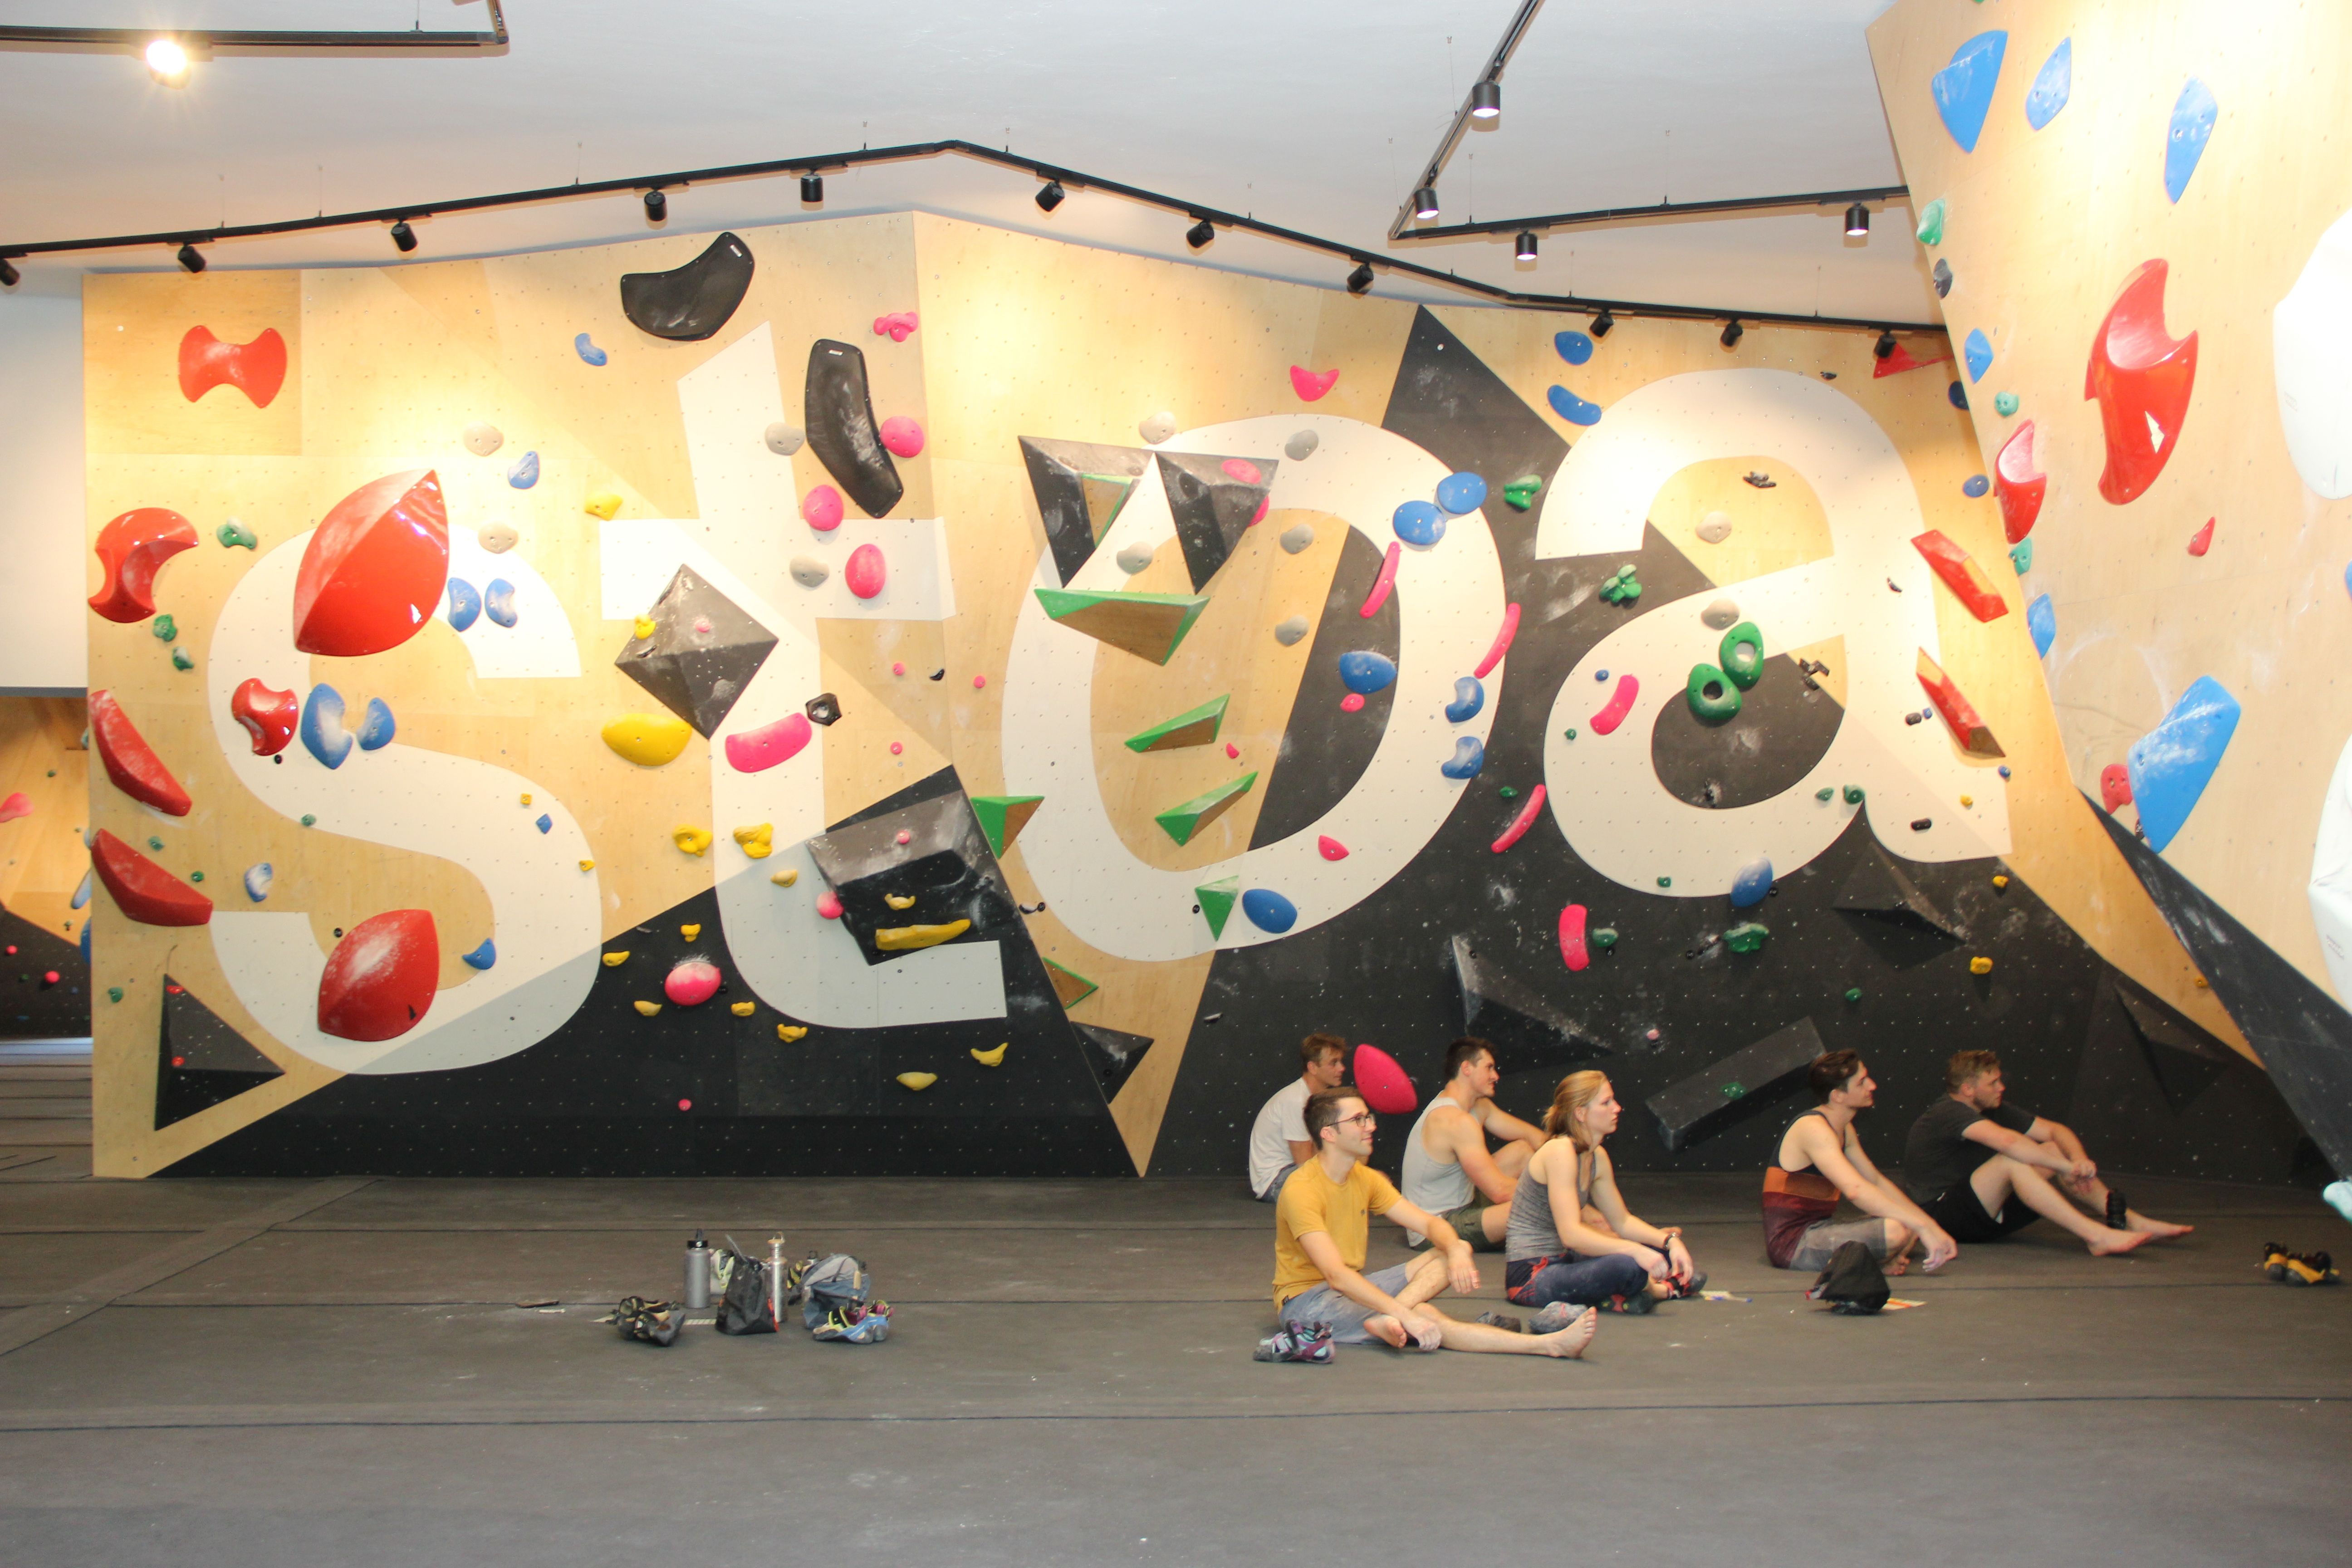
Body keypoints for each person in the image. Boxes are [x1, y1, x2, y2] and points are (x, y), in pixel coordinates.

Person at [1269, 1087, 1598, 1358]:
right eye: (1358, 1120)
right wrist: (1407, 1314)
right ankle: (1549, 1345)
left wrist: (1455, 1249)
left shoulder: (1364, 1179)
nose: (1371, 1126)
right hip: (1307, 1304)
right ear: (1329, 1133)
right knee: (1426, 1317)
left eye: (1368, 1117)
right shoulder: (1302, 1190)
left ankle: (1386, 1318)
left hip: (1347, 1289)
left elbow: (1431, 1225)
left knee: (1454, 1247)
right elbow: (1336, 1276)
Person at [1902, 1049, 2191, 1255]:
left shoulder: (1993, 1107)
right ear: (1968, 1089)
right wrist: (2068, 1170)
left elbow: (2056, 1131)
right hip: (1945, 1218)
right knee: (2012, 1161)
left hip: (1984, 1210)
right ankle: (2096, 1236)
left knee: (2055, 1149)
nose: (2001, 1088)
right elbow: (2008, 1143)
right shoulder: (1947, 1113)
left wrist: (2077, 1159)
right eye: (1993, 1083)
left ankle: (2131, 1220)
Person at [1501, 1071, 1706, 1315]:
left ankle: (1620, 1296)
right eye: (1606, 1102)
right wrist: (1635, 1250)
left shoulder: (1596, 1156)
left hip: (1568, 1261)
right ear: (1581, 1113)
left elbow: (1622, 1221)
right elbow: (1572, 1235)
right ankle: (1661, 1291)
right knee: (1630, 1265)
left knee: (1656, 1251)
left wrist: (1670, 1242)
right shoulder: (1559, 1152)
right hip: (1532, 1277)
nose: (1617, 1108)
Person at [1765, 1051, 1956, 1275]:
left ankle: (1877, 1263)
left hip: (1822, 1230)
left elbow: (1874, 1180)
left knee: (1908, 1220)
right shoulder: (1813, 1128)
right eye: (1862, 1082)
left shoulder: (1844, 1128)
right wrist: (1921, 1226)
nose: (1872, 1086)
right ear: (1838, 1096)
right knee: (1896, 1230)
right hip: (1794, 1245)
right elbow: (1856, 1190)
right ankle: (1878, 1264)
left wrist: (1929, 1226)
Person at [1399, 1037, 1547, 1251]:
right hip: (1435, 1228)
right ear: (1466, 1068)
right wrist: (1560, 1196)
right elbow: (1500, 1191)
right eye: (1489, 1068)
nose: (1496, 1076)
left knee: (1523, 1152)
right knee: (1542, 1205)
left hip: (1464, 1204)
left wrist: (1569, 1159)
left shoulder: (1479, 1107)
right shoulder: (1453, 1120)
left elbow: (1532, 1137)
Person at [1246, 1033, 1346, 1202]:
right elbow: (1305, 1165)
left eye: (1341, 1062)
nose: (1342, 1068)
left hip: (1293, 1172)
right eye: (1334, 1063)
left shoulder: (1318, 1099)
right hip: (1275, 1181)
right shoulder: (1296, 1101)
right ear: (1313, 1068)